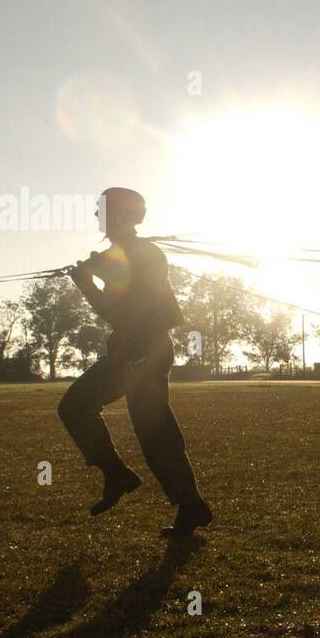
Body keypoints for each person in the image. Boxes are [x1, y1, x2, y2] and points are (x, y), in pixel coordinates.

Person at [57, 187, 213, 537]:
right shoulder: (124, 254)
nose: (98, 218)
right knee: (82, 408)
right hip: (132, 353)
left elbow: (123, 314)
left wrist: (87, 282)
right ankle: (123, 477)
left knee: (151, 433)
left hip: (145, 353)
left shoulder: (145, 255)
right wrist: (97, 270)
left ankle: (180, 502)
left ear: (122, 216)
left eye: (103, 212)